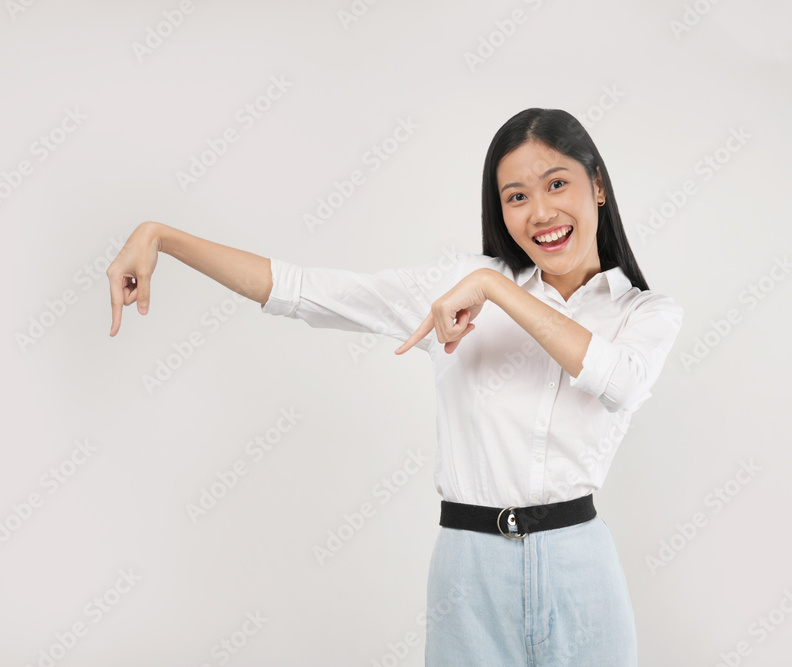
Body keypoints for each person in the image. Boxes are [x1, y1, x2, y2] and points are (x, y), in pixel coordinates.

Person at [105, 108, 683, 666]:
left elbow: (619, 382)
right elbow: (305, 290)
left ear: (597, 185)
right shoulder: (453, 286)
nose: (540, 212)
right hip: (469, 570)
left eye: (557, 183)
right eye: (516, 196)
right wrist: (162, 237)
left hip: (580, 567)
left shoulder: (645, 313)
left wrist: (497, 288)